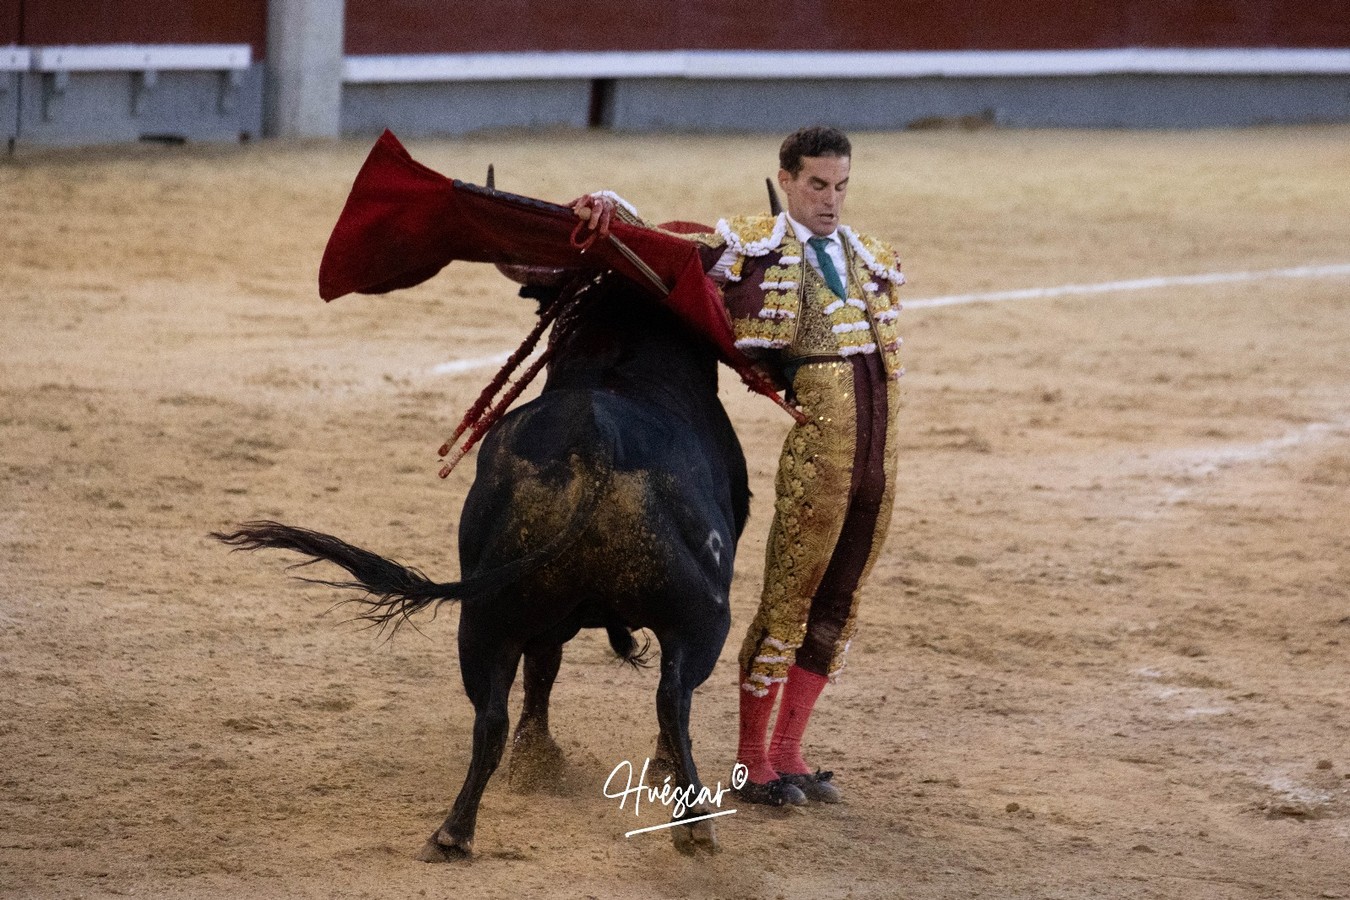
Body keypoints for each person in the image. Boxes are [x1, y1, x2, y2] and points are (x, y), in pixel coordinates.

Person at [573, 126, 905, 807]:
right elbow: (667, 252)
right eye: (817, 185)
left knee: (839, 603)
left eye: (841, 186)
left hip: (879, 465)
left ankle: (790, 754)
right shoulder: (755, 247)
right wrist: (610, 205)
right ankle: (753, 760)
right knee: (790, 598)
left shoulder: (868, 255)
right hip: (821, 462)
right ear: (787, 180)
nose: (831, 200)